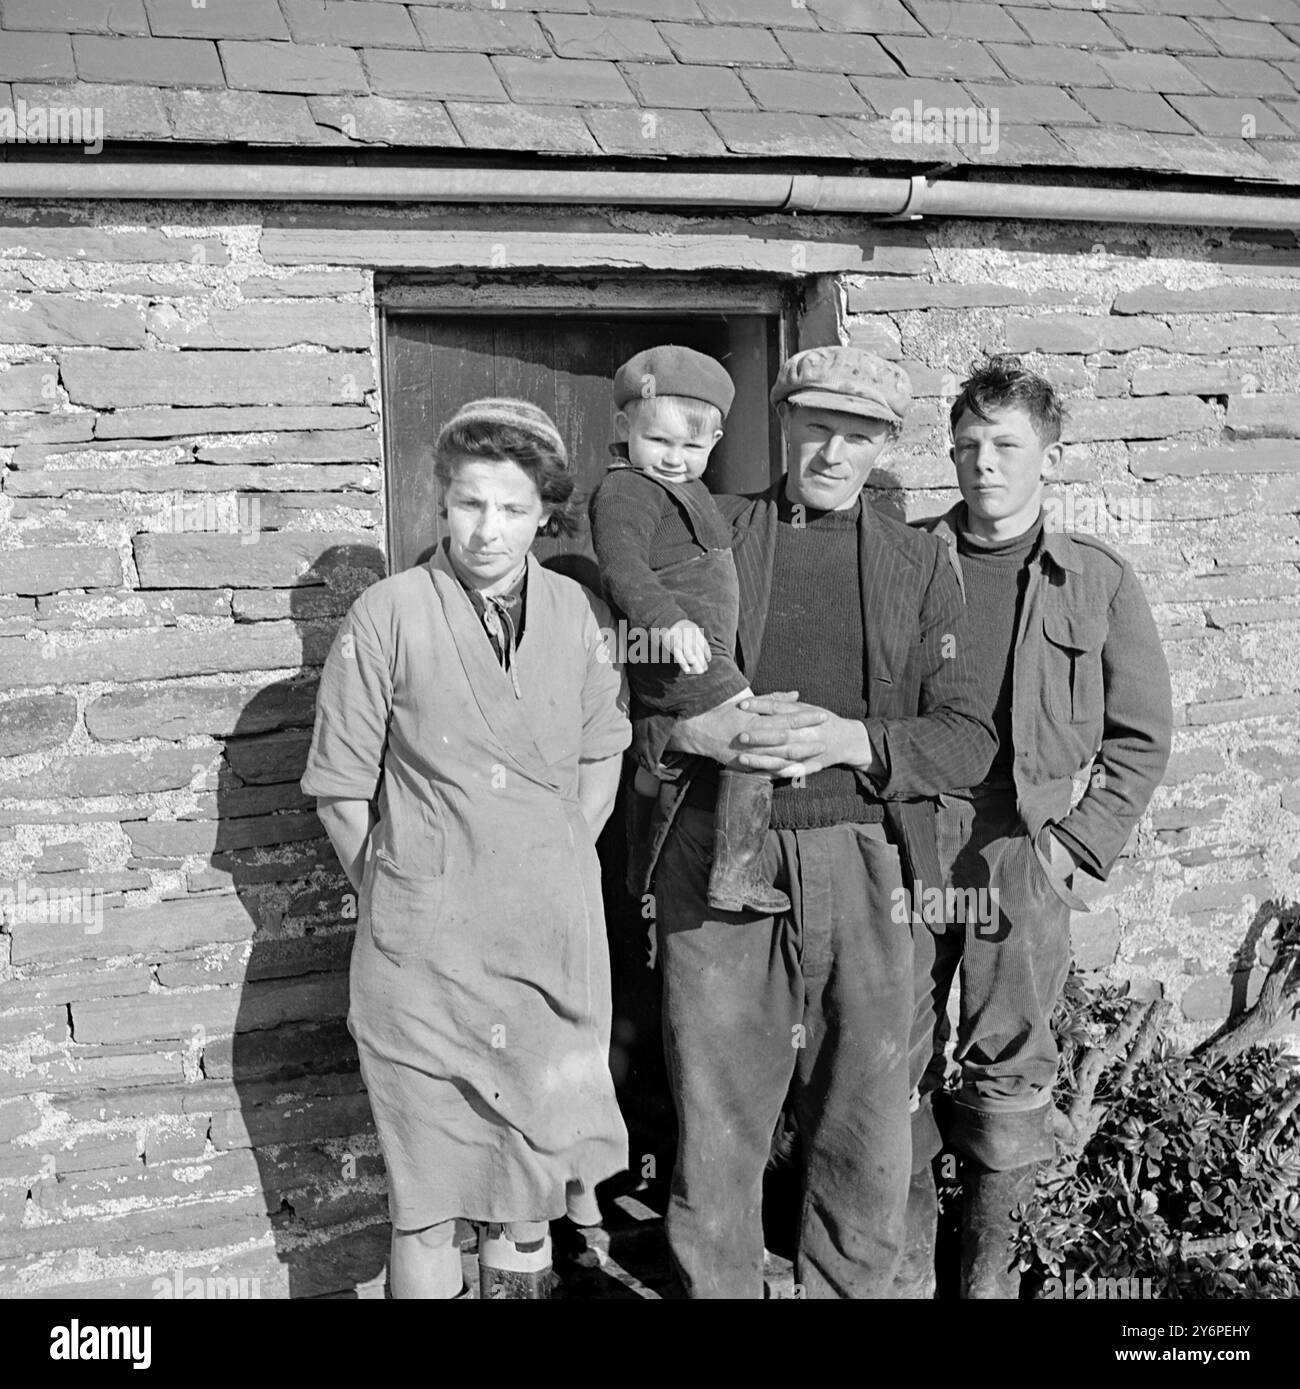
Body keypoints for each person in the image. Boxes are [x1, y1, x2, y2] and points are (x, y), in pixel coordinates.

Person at [632, 345, 997, 1298]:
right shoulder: (706, 533)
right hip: (719, 853)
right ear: (783, 424)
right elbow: (623, 682)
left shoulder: (923, 565)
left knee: (866, 1119)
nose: (835, 451)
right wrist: (693, 728)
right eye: (817, 426)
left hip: (868, 860)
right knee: (717, 1115)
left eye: (860, 434)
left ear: (884, 445)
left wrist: (854, 740)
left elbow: (966, 736)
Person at [301, 398, 632, 1300]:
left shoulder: (577, 613)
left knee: (527, 1190)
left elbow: (605, 750)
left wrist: (555, 859)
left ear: (543, 515)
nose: (488, 530)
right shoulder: (387, 614)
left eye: (513, 509)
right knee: (429, 1198)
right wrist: (414, 892)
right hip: (423, 963)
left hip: (545, 952)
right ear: (440, 502)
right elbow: (339, 791)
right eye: (468, 505)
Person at [902, 359, 1172, 1299]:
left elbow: (1142, 736)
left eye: (1007, 445)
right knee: (887, 1049)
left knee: (1010, 1064)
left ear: (1048, 458)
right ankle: (896, 1276)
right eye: (969, 445)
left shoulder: (1093, 581)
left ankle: (981, 1282)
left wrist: (1073, 847)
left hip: (1021, 846)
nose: (985, 463)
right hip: (906, 836)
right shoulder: (901, 558)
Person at [590, 344, 789, 916]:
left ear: (715, 442)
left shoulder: (690, 489)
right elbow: (622, 568)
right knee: (756, 743)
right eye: (658, 441)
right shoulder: (625, 489)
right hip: (673, 648)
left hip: (699, 652)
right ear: (627, 427)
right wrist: (669, 622)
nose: (674, 458)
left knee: (664, 768)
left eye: (692, 446)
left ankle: (636, 865)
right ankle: (736, 874)